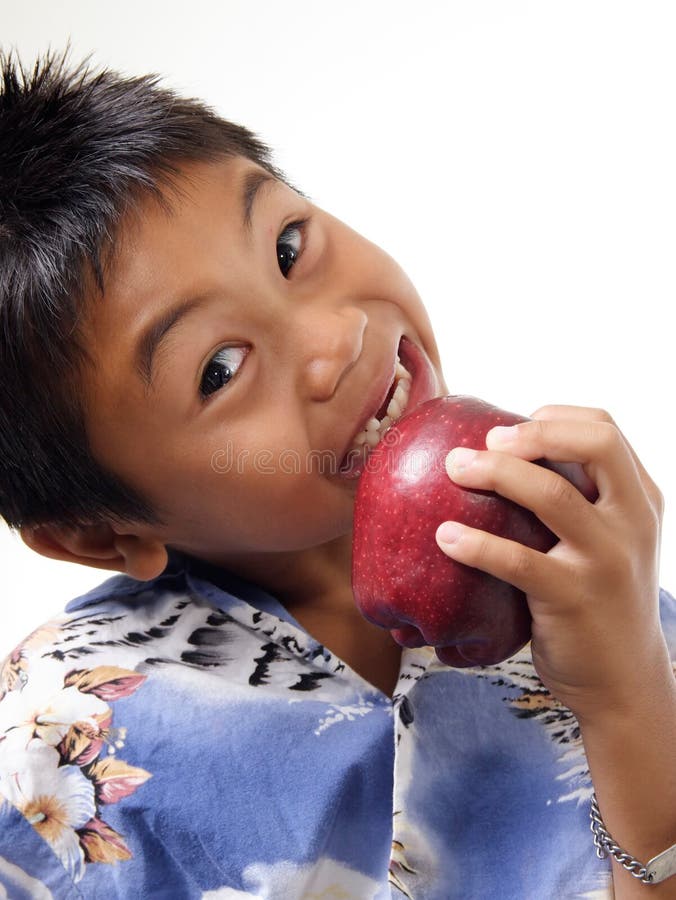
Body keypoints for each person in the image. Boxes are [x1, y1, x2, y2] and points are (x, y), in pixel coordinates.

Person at [0, 49, 674, 900]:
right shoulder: (60, 749)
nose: (336, 340)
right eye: (219, 368)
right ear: (101, 534)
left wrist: (630, 693)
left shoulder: (586, 588)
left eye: (288, 245)